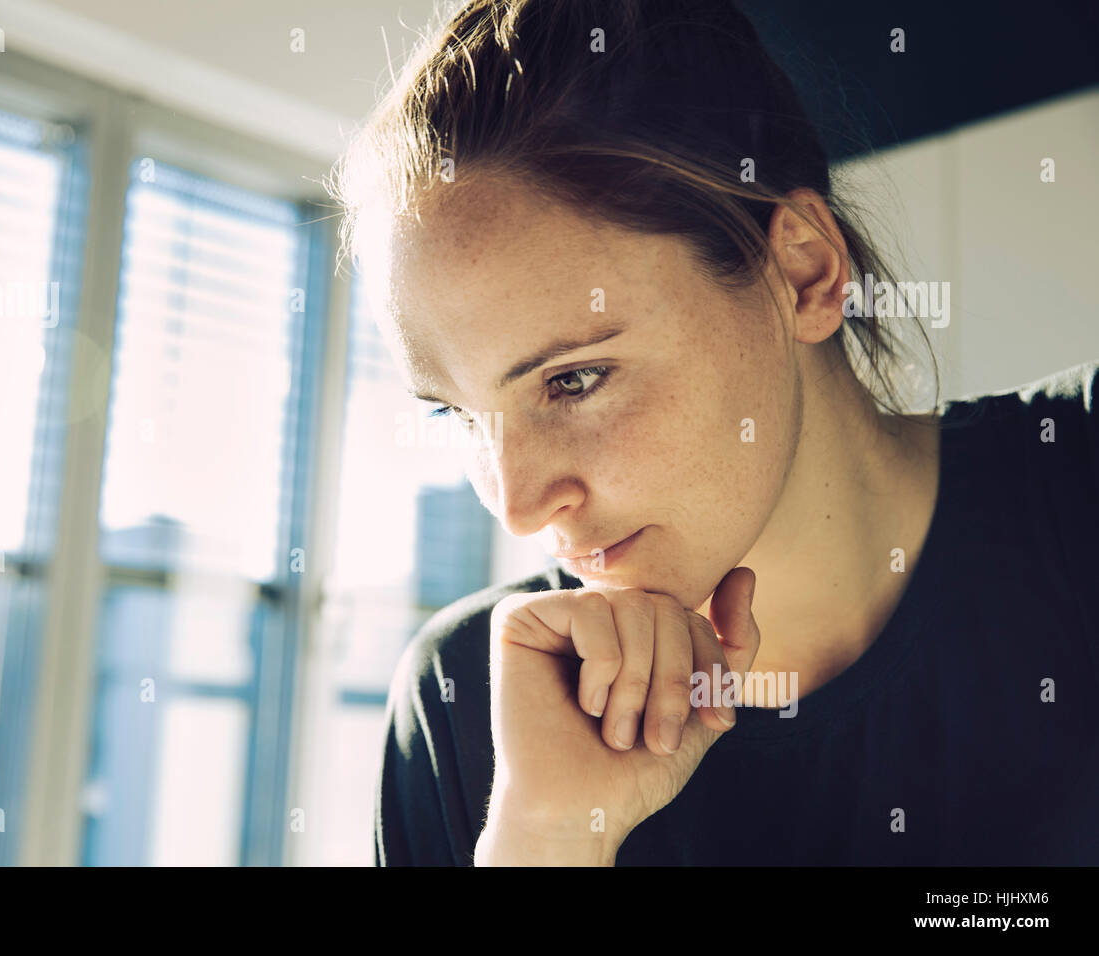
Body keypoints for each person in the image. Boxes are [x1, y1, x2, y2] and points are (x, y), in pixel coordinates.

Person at [325, 0, 1099, 865]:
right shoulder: (476, 709)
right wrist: (545, 841)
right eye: (459, 416)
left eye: (573, 380)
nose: (517, 505)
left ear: (804, 273)